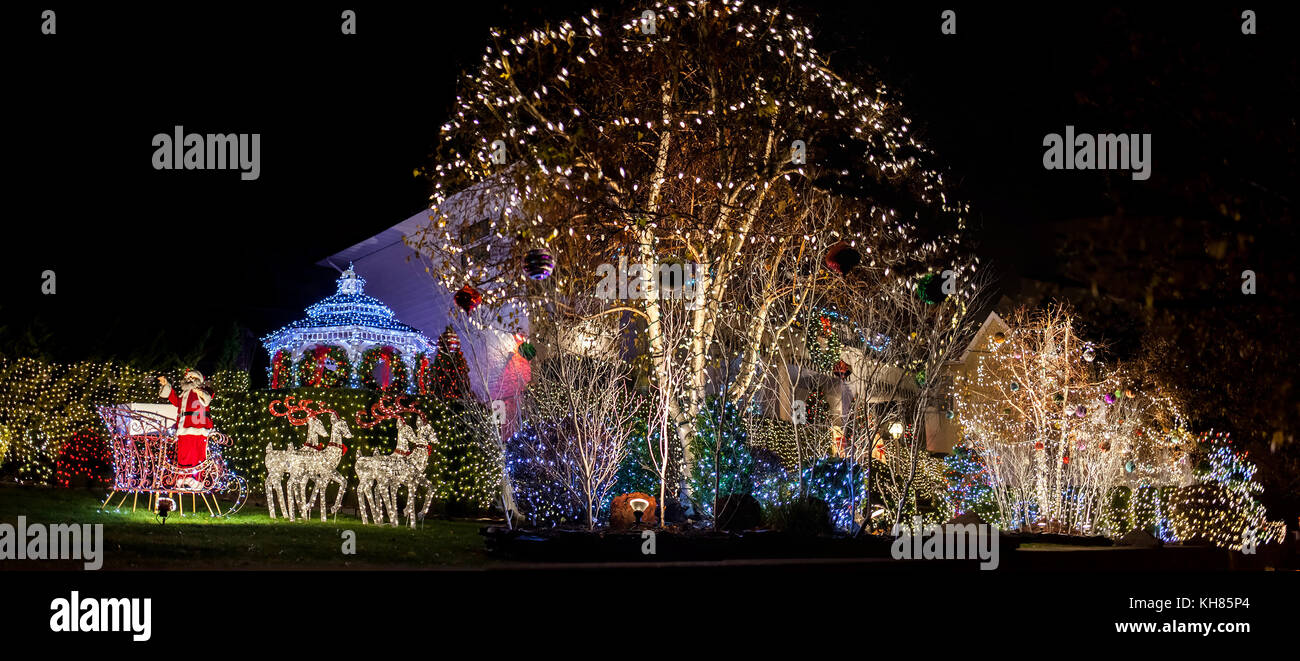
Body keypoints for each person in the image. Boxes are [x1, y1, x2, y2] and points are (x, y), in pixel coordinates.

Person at [158, 370, 214, 490]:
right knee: (183, 454)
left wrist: (200, 392)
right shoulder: (184, 394)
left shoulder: (203, 391)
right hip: (183, 428)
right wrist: (166, 384)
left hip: (198, 428)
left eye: (192, 377)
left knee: (196, 455)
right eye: (188, 377)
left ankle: (195, 479)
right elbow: (174, 400)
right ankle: (182, 477)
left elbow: (208, 397)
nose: (189, 379)